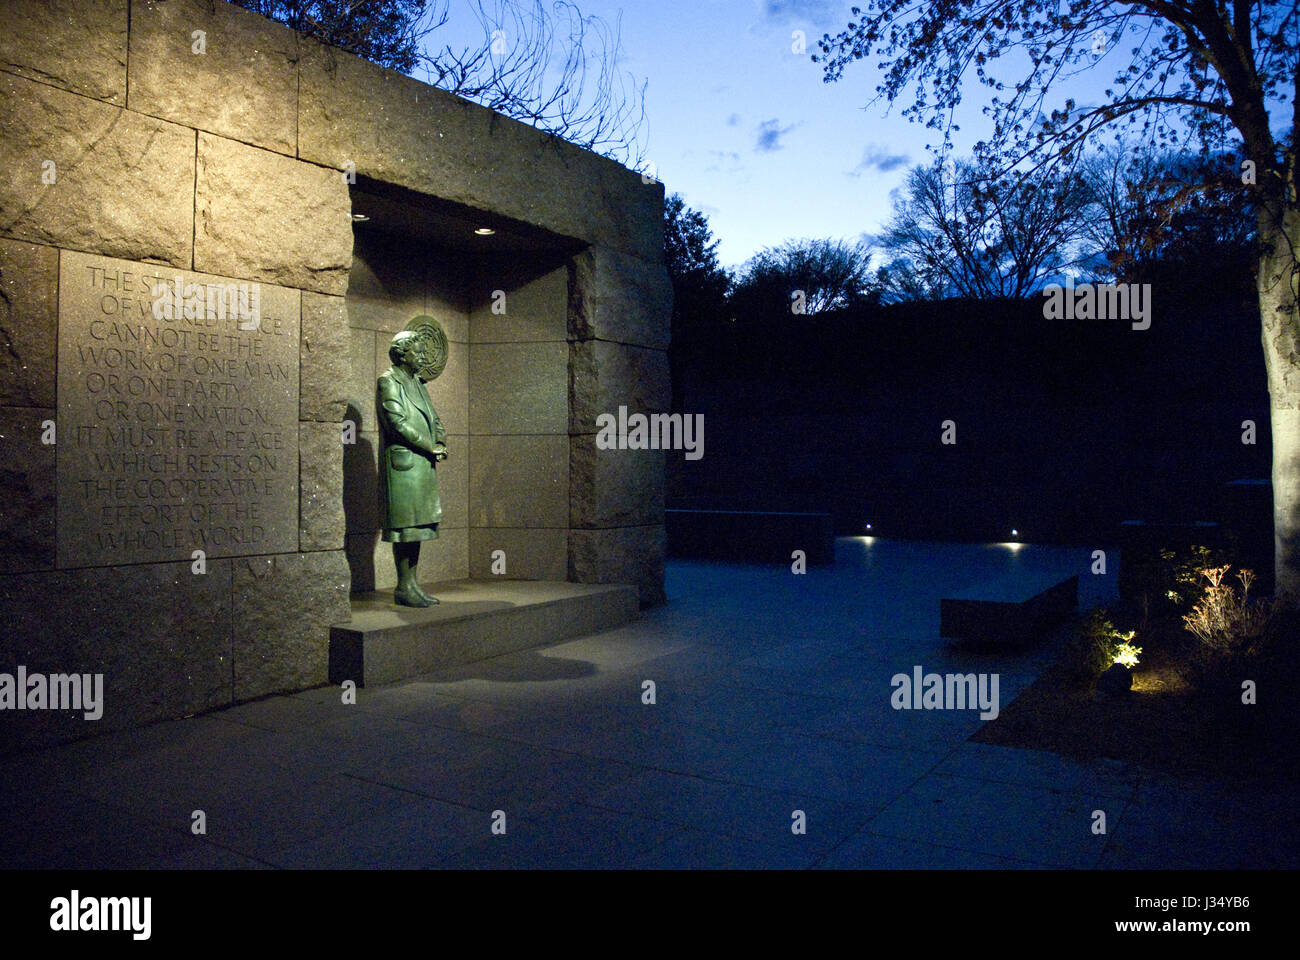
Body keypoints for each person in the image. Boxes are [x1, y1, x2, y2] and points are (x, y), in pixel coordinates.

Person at [376, 330, 448, 606]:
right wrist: (429, 446)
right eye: (417, 352)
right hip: (405, 466)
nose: (422, 357)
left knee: (415, 529)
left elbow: (433, 417)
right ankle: (404, 587)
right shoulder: (388, 381)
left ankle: (411, 585)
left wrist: (440, 439)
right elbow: (397, 423)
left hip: (421, 465)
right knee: (405, 529)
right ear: (401, 353)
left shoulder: (418, 382)